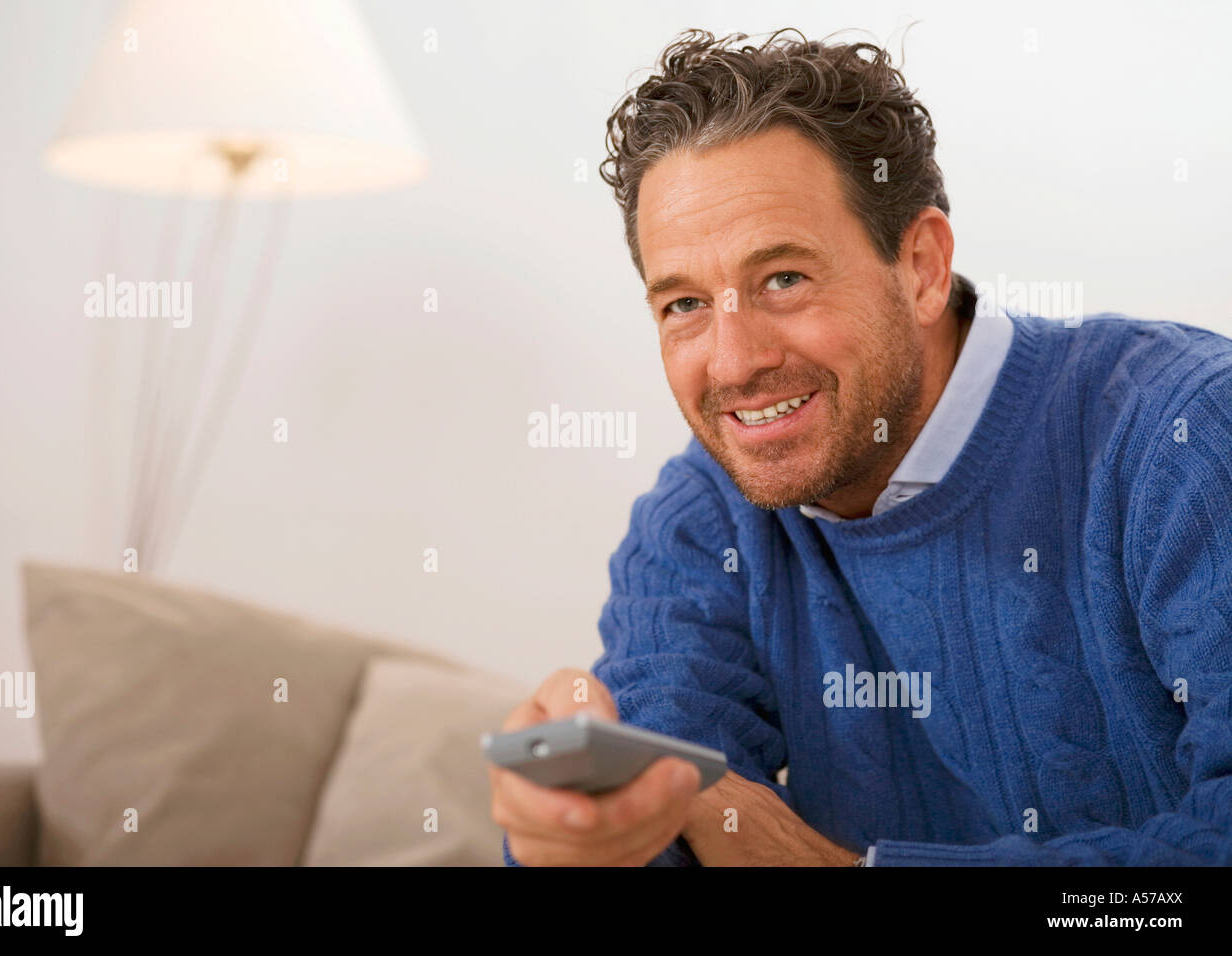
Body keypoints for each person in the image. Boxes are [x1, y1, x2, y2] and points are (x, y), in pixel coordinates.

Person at [491, 27, 1232, 866]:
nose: (735, 362)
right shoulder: (704, 520)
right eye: (685, 304)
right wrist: (579, 830)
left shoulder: (1188, 437)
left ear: (920, 266)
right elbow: (669, 820)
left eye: (784, 279)